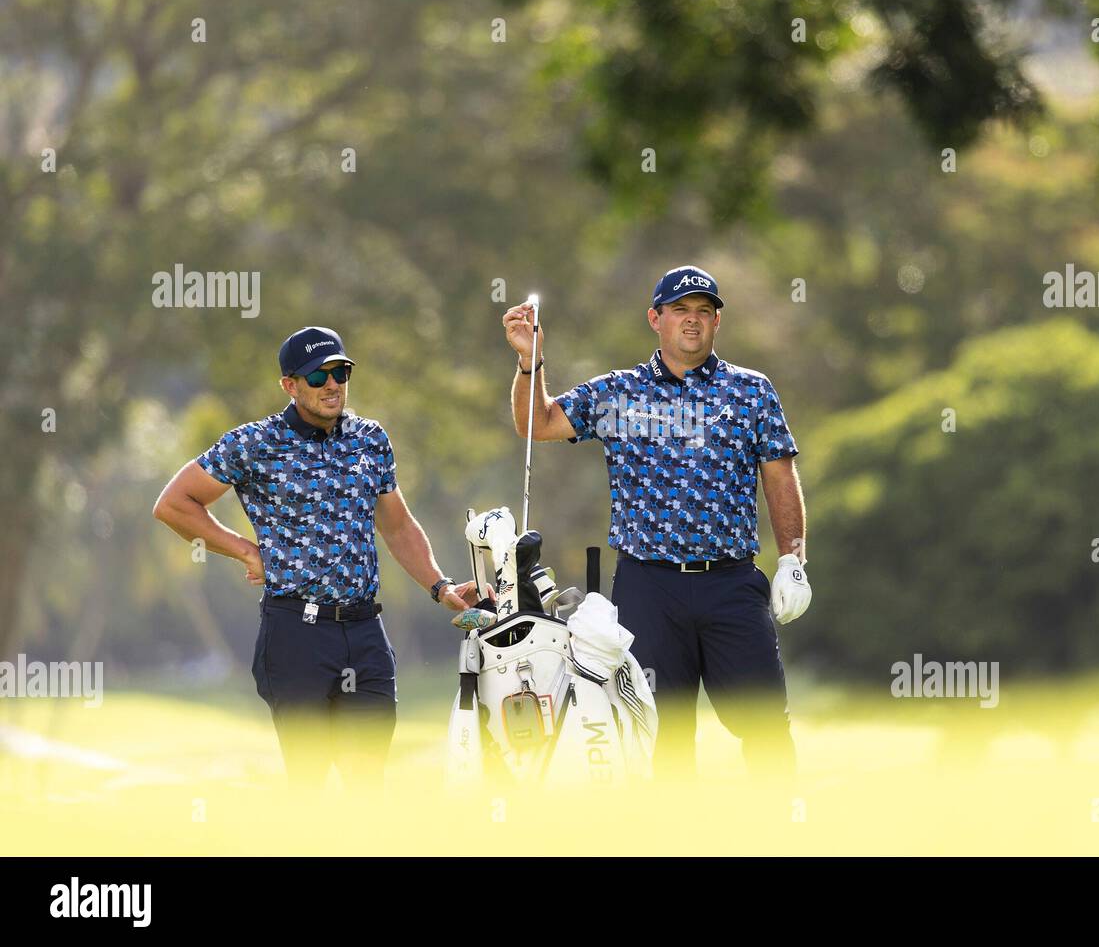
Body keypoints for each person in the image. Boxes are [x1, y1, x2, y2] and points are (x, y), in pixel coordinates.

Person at [501, 266, 812, 779]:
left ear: (717, 322)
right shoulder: (620, 390)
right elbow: (537, 423)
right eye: (680, 311)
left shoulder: (751, 391)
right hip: (649, 586)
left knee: (763, 721)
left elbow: (779, 475)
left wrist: (793, 560)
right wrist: (529, 363)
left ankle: (779, 828)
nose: (693, 322)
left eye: (704, 312)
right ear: (656, 319)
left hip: (731, 581)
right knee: (658, 730)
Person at [153, 326, 477, 790]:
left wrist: (440, 587)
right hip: (295, 637)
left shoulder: (370, 439)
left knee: (367, 784)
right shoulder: (254, 443)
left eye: (340, 372)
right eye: (318, 375)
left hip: (365, 635)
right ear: (290, 384)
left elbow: (398, 525)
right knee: (308, 787)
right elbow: (174, 503)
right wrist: (245, 550)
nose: (332, 384)